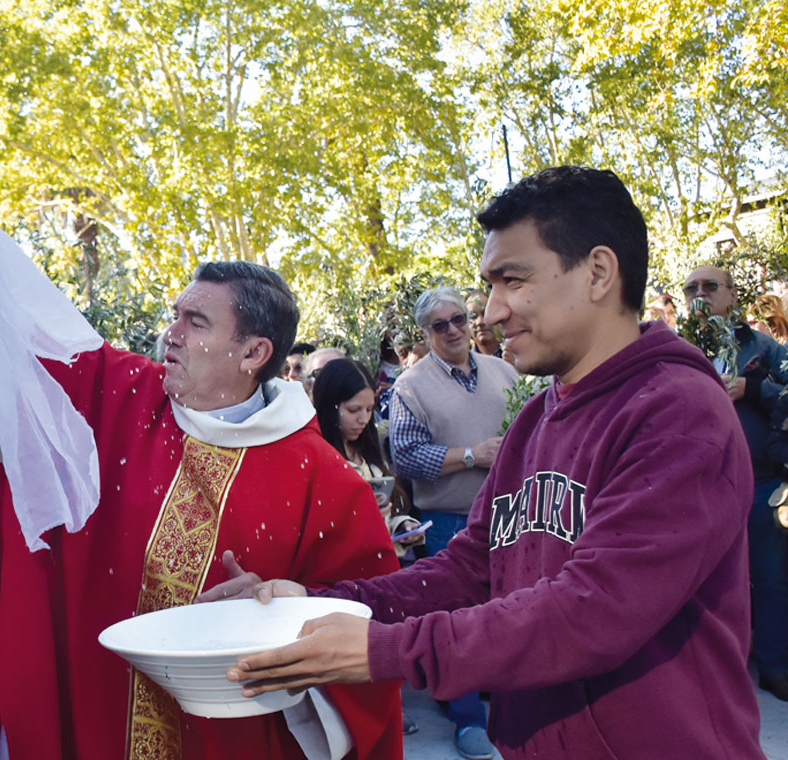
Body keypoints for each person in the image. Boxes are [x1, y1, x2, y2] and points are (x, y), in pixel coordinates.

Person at [0, 137, 402, 760]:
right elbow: (5, 331)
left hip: (235, 733)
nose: (172, 333)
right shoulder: (124, 396)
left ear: (254, 353)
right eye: (175, 314)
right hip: (102, 711)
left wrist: (278, 607)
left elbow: (368, 627)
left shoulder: (322, 479)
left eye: (197, 322)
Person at [202, 166, 763, 759]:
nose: (492, 312)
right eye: (489, 288)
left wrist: (382, 650)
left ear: (598, 272)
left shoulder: (679, 412)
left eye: (512, 280)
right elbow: (469, 570)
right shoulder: (535, 420)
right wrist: (320, 605)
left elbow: (593, 612)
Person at [384, 286, 516, 759]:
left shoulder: (505, 371)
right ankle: (466, 721)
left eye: (459, 318)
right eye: (441, 325)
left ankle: (511, 712)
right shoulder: (411, 386)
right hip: (448, 520)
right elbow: (405, 456)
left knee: (511, 610)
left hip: (512, 515)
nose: (454, 330)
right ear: (426, 332)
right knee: (458, 620)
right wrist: (469, 456)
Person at [684, 264, 788, 702]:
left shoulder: (764, 347)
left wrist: (754, 388)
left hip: (760, 482)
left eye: (710, 287)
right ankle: (710, 667)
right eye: (691, 288)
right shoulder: (677, 350)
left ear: (731, 294)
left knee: (769, 579)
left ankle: (775, 665)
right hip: (698, 489)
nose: (700, 295)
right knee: (704, 581)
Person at [312, 358, 422, 560]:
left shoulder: (367, 449)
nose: (364, 419)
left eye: (370, 409)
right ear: (330, 407)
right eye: (354, 410)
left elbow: (387, 512)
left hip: (382, 566)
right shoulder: (316, 457)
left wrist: (401, 526)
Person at [464, 289, 502, 356]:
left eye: (485, 314)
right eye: (473, 316)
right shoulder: (464, 364)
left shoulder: (519, 355)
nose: (480, 322)